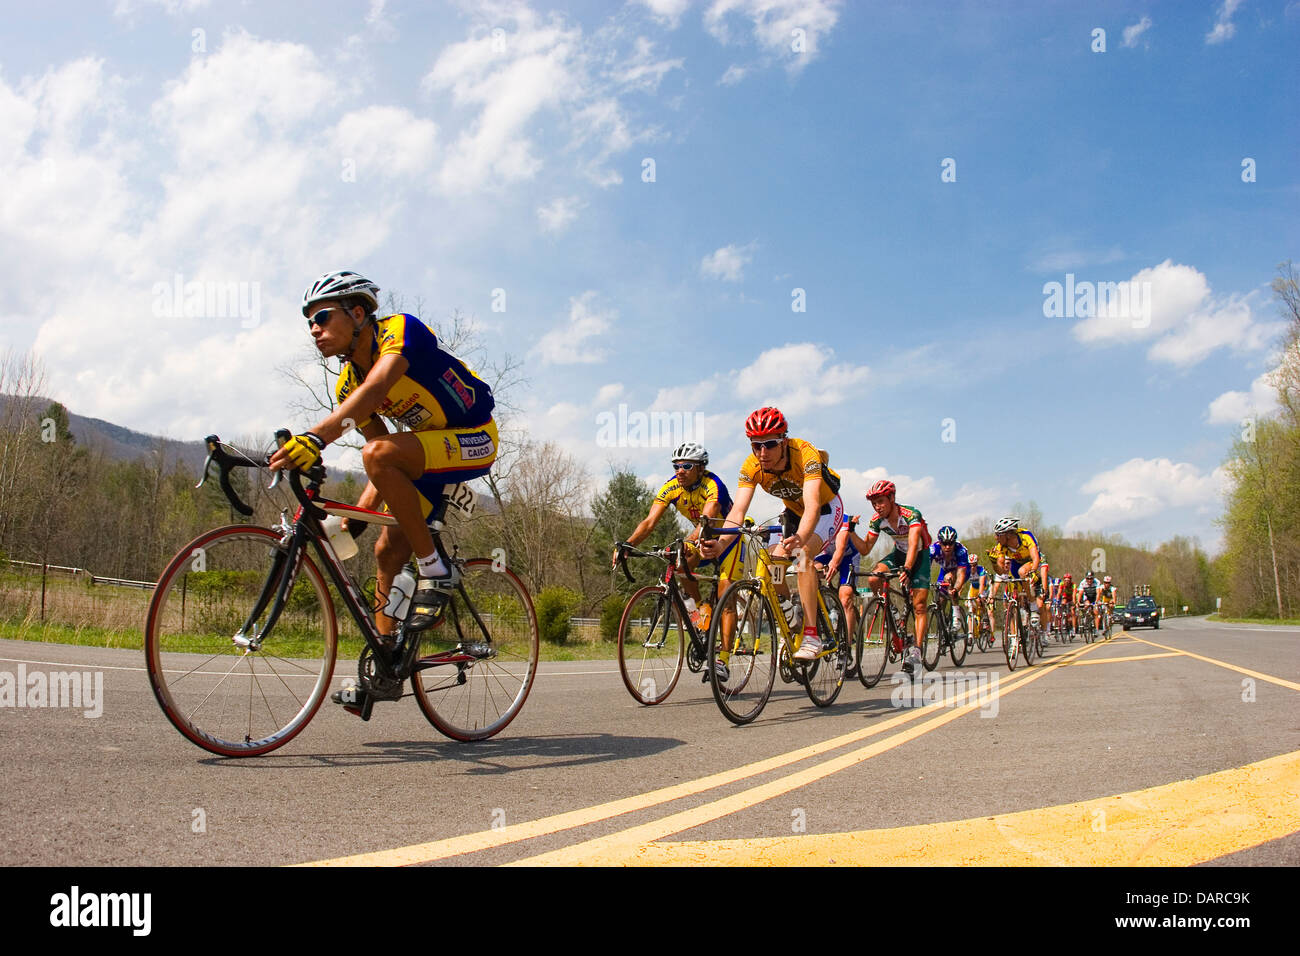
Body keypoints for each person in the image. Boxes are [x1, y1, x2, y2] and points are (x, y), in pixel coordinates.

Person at [268, 270, 498, 713]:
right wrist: (354, 520)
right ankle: (387, 664)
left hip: (473, 437)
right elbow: (379, 460)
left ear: (358, 314)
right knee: (385, 552)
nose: (314, 329)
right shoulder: (346, 384)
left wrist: (316, 437)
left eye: (322, 316)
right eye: (309, 322)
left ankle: (436, 570)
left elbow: (376, 392)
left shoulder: (400, 332)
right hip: (425, 453)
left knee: (377, 455)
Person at [701, 407, 843, 663]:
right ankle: (792, 611)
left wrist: (802, 536)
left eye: (769, 444)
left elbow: (811, 505)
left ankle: (812, 634)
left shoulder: (804, 454)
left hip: (823, 510)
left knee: (803, 554)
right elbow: (738, 512)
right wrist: (721, 545)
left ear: (784, 442)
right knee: (772, 562)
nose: (762, 453)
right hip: (792, 512)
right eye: (756, 446)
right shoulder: (752, 466)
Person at [615, 442, 740, 678]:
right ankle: (701, 609)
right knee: (679, 567)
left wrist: (689, 540)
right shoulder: (671, 487)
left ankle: (722, 660)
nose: (679, 471)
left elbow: (708, 518)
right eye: (676, 466)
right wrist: (629, 544)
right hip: (701, 540)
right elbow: (649, 522)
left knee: (726, 593)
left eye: (686, 466)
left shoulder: (713, 485)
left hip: (728, 539)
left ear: (700, 467)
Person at [844, 479, 932, 676]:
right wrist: (851, 532)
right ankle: (890, 608)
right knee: (875, 577)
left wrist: (908, 568)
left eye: (881, 501)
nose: (878, 506)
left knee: (919, 605)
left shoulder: (911, 515)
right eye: (874, 503)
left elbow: (913, 541)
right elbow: (865, 548)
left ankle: (916, 651)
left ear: (892, 498)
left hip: (919, 554)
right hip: (899, 553)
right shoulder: (877, 520)